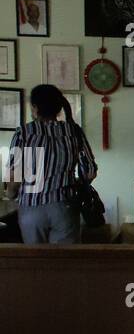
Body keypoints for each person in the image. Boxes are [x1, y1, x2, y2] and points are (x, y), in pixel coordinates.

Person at [4, 84, 97, 243]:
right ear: (59, 108)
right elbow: (90, 172)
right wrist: (76, 184)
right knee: (64, 263)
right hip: (64, 205)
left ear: (34, 107)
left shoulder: (24, 133)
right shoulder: (73, 131)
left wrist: (10, 194)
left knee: (36, 262)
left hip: (31, 208)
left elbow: (15, 175)